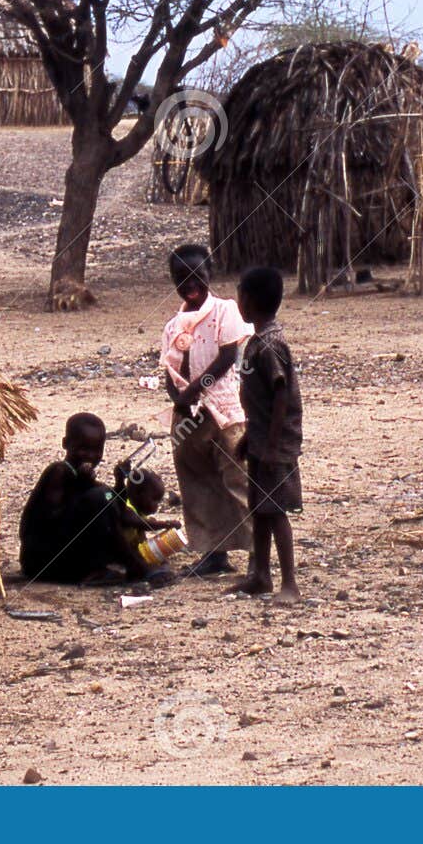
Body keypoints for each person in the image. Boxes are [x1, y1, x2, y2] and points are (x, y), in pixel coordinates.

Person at [162, 244, 253, 576]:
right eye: (181, 277)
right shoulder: (174, 325)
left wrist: (196, 389)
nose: (190, 284)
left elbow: (227, 357)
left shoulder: (225, 311)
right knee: (198, 482)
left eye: (196, 276)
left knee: (237, 480)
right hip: (189, 416)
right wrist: (178, 397)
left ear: (209, 274)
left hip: (224, 410)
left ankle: (257, 552)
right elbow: (171, 368)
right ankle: (214, 552)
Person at [235, 266, 303, 602]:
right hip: (261, 438)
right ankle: (260, 575)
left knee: (275, 511)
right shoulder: (257, 342)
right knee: (259, 509)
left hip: (275, 444)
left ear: (248, 301)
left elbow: (280, 395)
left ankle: (289, 583)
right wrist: (251, 437)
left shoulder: (271, 345)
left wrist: (273, 445)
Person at [19, 413, 131, 584]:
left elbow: (111, 500)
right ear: (65, 444)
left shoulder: (84, 479)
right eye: (83, 449)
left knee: (103, 496)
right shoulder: (58, 472)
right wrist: (81, 488)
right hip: (42, 560)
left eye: (96, 450)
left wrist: (119, 483)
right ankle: (100, 570)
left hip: (60, 555)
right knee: (99, 496)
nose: (90, 456)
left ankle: (121, 564)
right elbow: (50, 520)